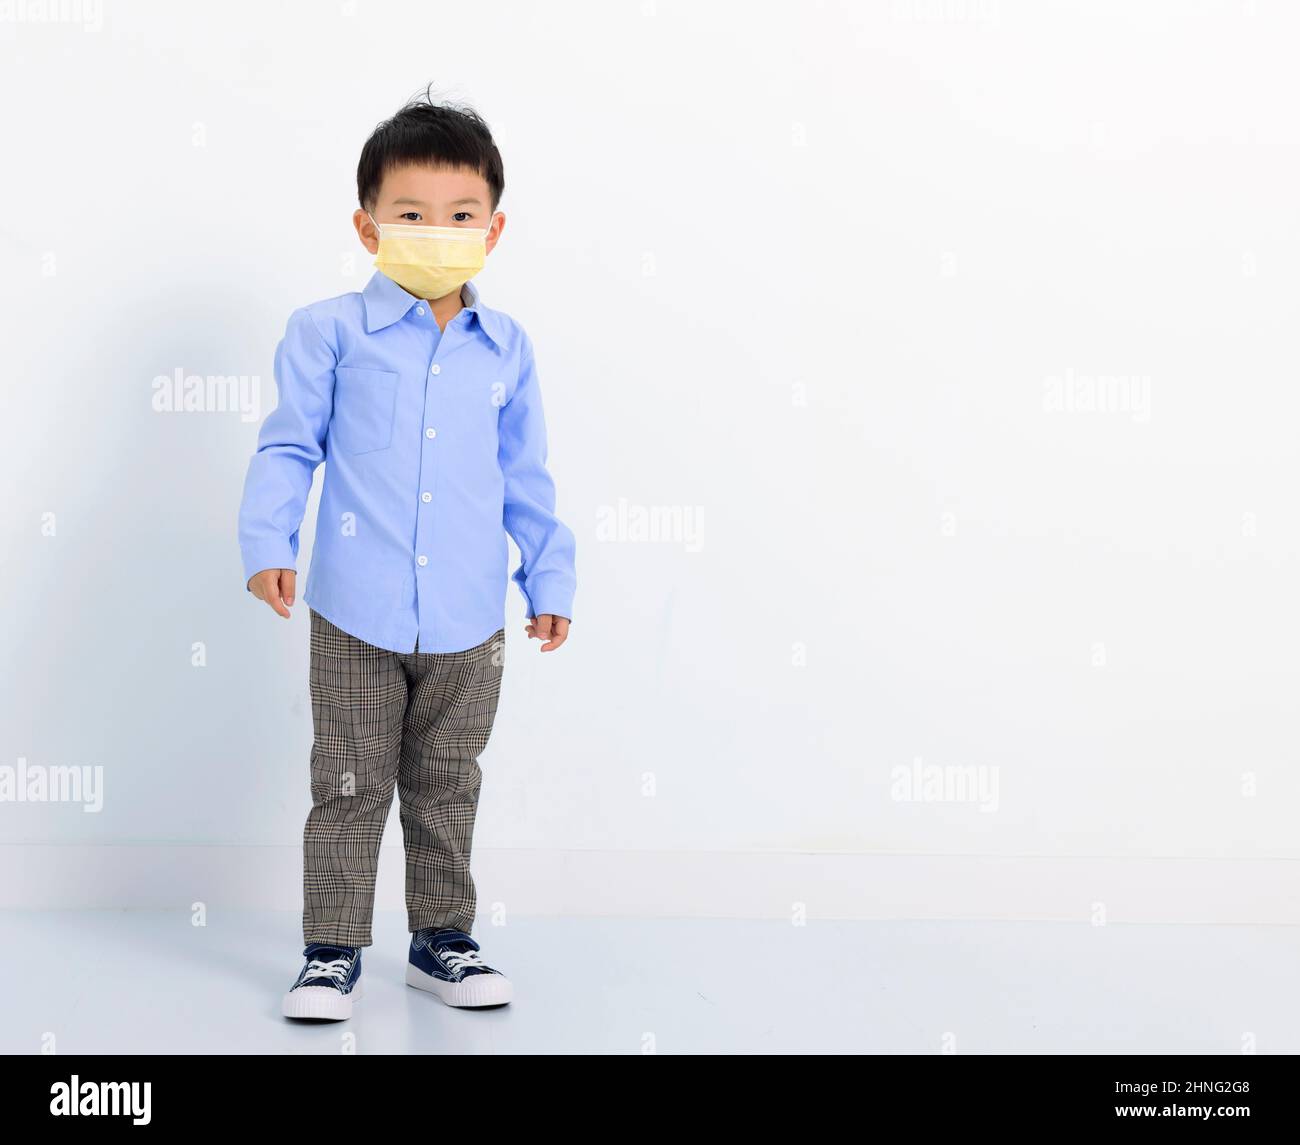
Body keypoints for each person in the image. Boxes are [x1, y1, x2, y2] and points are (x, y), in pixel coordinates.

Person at [237, 90, 576, 1021]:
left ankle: (442, 940)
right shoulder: (328, 332)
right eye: (412, 214)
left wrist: (549, 575)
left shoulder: (505, 349)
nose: (438, 231)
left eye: (461, 216)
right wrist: (268, 539)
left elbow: (526, 474)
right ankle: (331, 949)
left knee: (447, 781)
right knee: (348, 780)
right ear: (368, 224)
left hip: (471, 619)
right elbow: (288, 445)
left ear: (494, 229)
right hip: (358, 609)